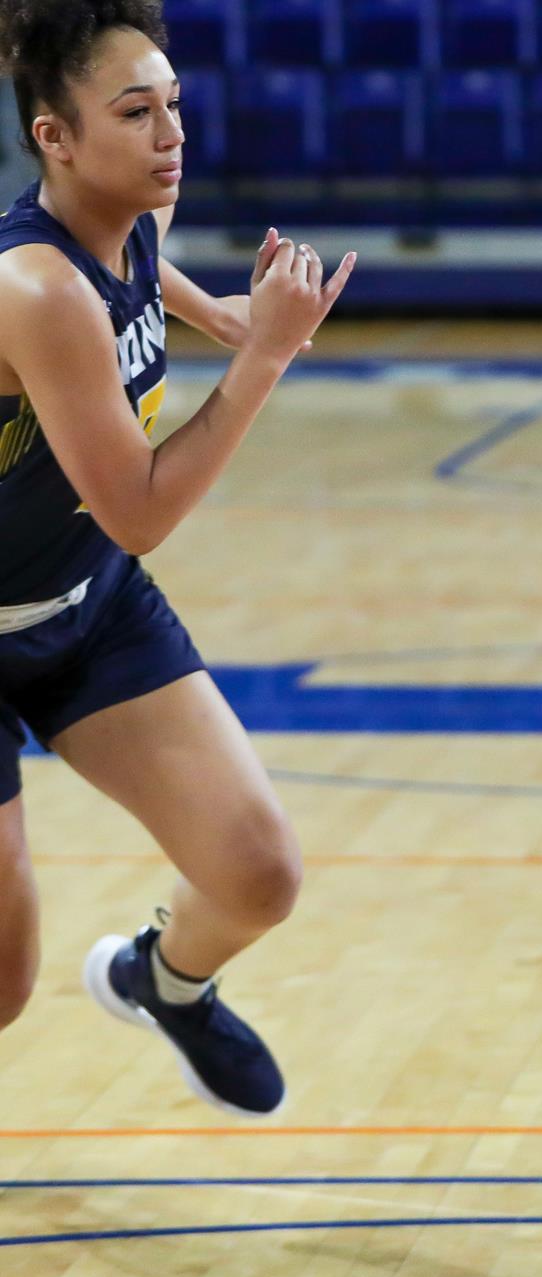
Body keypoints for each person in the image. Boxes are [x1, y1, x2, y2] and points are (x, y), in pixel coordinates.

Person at [0, 0, 354, 1117]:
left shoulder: (134, 212)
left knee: (258, 871)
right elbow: (142, 511)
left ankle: (161, 980)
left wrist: (231, 321)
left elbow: (144, 277)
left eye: (174, 106)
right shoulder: (36, 291)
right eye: (135, 112)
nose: (170, 135)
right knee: (3, 979)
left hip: (81, 602)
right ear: (54, 138)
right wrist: (267, 367)